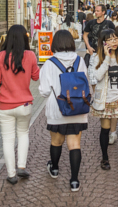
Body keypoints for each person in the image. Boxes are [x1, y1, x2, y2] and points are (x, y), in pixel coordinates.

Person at [39, 30, 88, 192]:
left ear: (55, 43)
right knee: (74, 144)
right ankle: (74, 181)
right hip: (77, 108)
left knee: (56, 142)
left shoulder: (49, 63)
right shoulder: (80, 60)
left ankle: (54, 168)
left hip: (57, 109)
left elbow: (44, 91)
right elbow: (86, 83)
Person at [0, 25, 40, 184]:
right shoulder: (31, 55)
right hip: (25, 104)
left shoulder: (1, 56)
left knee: (7, 139)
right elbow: (35, 77)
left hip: (5, 105)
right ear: (25, 38)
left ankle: (11, 174)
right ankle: (21, 166)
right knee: (23, 134)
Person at [88, 29, 118, 176]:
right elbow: (96, 77)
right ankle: (104, 158)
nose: (114, 42)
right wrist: (107, 59)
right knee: (105, 129)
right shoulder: (96, 57)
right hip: (105, 99)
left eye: (116, 38)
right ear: (103, 42)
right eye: (110, 39)